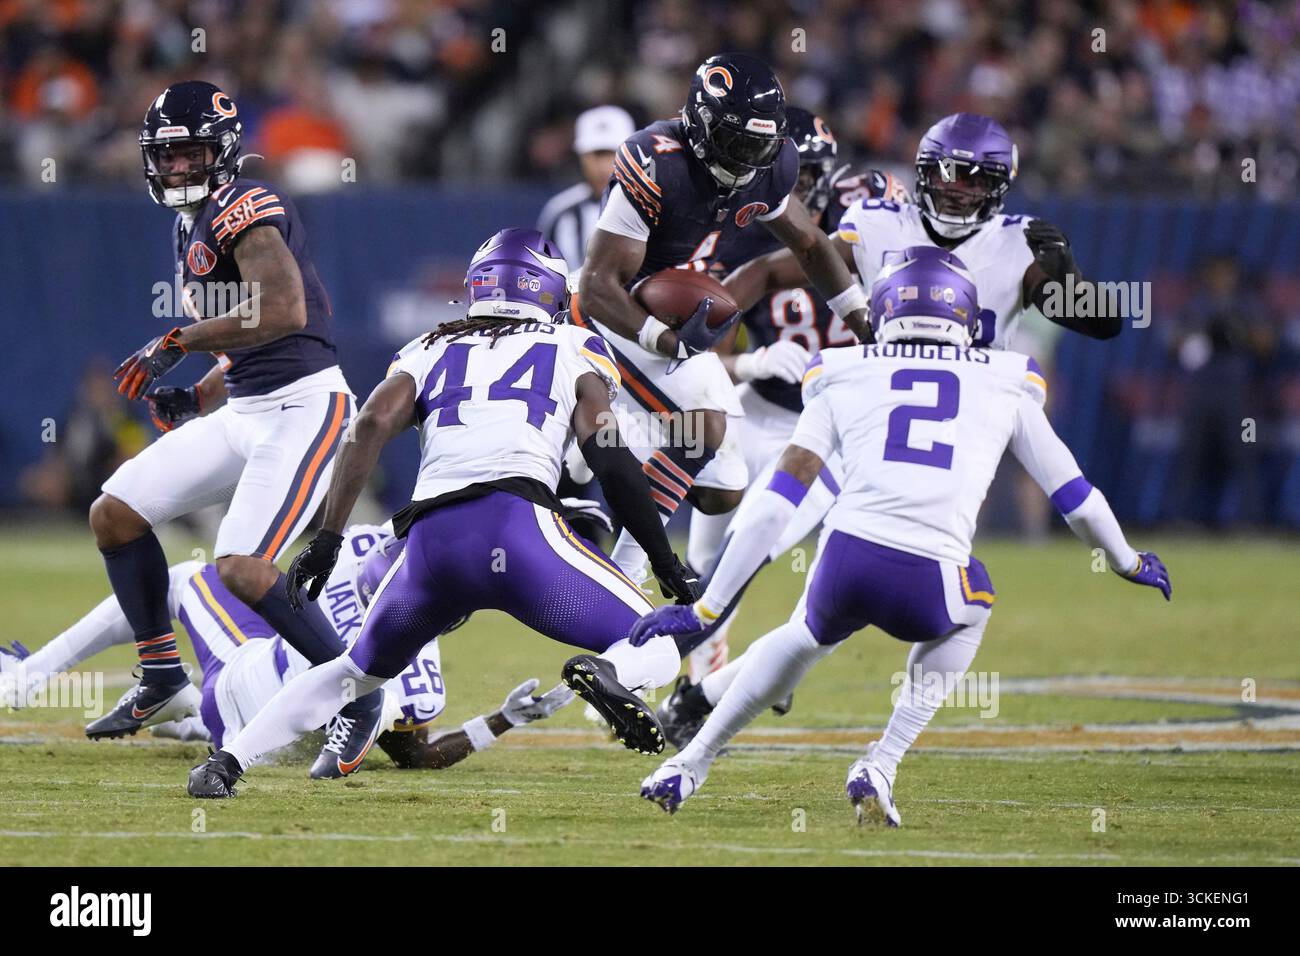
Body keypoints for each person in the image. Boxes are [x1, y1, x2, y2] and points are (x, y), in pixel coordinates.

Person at [631, 247, 1171, 822]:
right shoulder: (1007, 381)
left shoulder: (841, 370)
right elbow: (1077, 500)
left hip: (843, 565)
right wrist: (1126, 561)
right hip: (929, 581)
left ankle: (689, 762)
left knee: (804, 635)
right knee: (978, 599)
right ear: (966, 313)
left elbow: (777, 499)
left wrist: (708, 608)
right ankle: (881, 761)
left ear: (884, 306)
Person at [186, 228, 697, 798]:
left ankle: (226, 764)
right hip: (518, 529)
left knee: (354, 673)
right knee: (659, 642)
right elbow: (609, 454)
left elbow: (368, 428)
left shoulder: (431, 346)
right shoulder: (573, 344)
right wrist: (662, 555)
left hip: (430, 543)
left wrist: (328, 536)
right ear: (549, 291)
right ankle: (608, 674)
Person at [664, 112, 1122, 744]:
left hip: (958, 440)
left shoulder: (1020, 246)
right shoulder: (882, 222)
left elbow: (1102, 323)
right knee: (808, 579)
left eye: (973, 177)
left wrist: (1068, 276)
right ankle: (673, 680)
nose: (957, 187)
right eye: (944, 173)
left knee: (830, 606)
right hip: (870, 422)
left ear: (999, 185)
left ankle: (699, 696)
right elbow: (794, 261)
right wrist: (716, 321)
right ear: (923, 173)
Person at [84, 81, 384, 766]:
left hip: (304, 407)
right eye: (166, 156)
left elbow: (284, 314)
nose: (177, 169)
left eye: (190, 155)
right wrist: (201, 395)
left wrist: (175, 342)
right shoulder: (190, 219)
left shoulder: (248, 204)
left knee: (242, 569)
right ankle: (162, 673)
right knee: (115, 514)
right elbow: (251, 333)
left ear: (221, 152)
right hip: (248, 404)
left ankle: (357, 692)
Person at [574, 53, 869, 589]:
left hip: (667, 314)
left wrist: (861, 317)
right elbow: (597, 287)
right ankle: (628, 571)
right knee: (704, 425)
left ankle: (615, 457)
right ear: (702, 122)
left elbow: (809, 244)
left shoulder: (773, 164)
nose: (750, 157)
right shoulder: (656, 159)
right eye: (738, 141)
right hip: (611, 314)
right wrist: (664, 339)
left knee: (722, 489)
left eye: (761, 143)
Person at [0, 526, 573, 777]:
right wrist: (500, 721)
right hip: (264, 737)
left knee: (181, 579)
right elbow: (416, 759)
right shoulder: (422, 683)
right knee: (294, 711)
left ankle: (26, 677)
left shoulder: (355, 555)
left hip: (239, 683)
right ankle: (181, 716)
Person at [675, 106, 909, 689]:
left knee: (753, 558)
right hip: (752, 414)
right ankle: (699, 678)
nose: (796, 185)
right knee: (704, 567)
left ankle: (736, 681)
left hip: (829, 431)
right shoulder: (737, 236)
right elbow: (699, 361)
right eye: (788, 171)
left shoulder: (870, 222)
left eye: (808, 175)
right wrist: (749, 361)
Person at [538, 105, 637, 273]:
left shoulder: (653, 210)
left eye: (612, 153)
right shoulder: (561, 213)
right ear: (581, 156)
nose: (604, 166)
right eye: (596, 154)